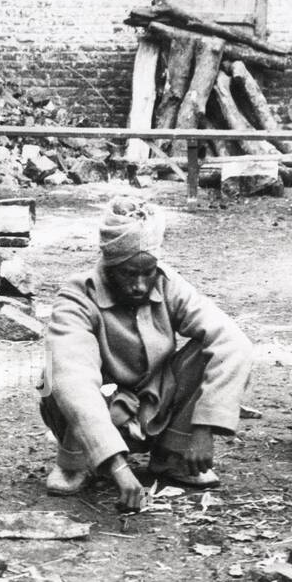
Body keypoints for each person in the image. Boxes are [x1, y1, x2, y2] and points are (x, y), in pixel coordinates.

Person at [38, 197, 254, 511]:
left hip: (153, 403)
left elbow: (233, 342)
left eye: (147, 273)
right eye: (128, 274)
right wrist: (118, 468)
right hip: (105, 400)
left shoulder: (166, 283)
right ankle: (79, 460)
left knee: (211, 351)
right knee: (55, 376)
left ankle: (172, 454)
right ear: (110, 266)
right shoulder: (76, 297)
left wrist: (204, 428)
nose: (140, 286)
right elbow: (75, 381)